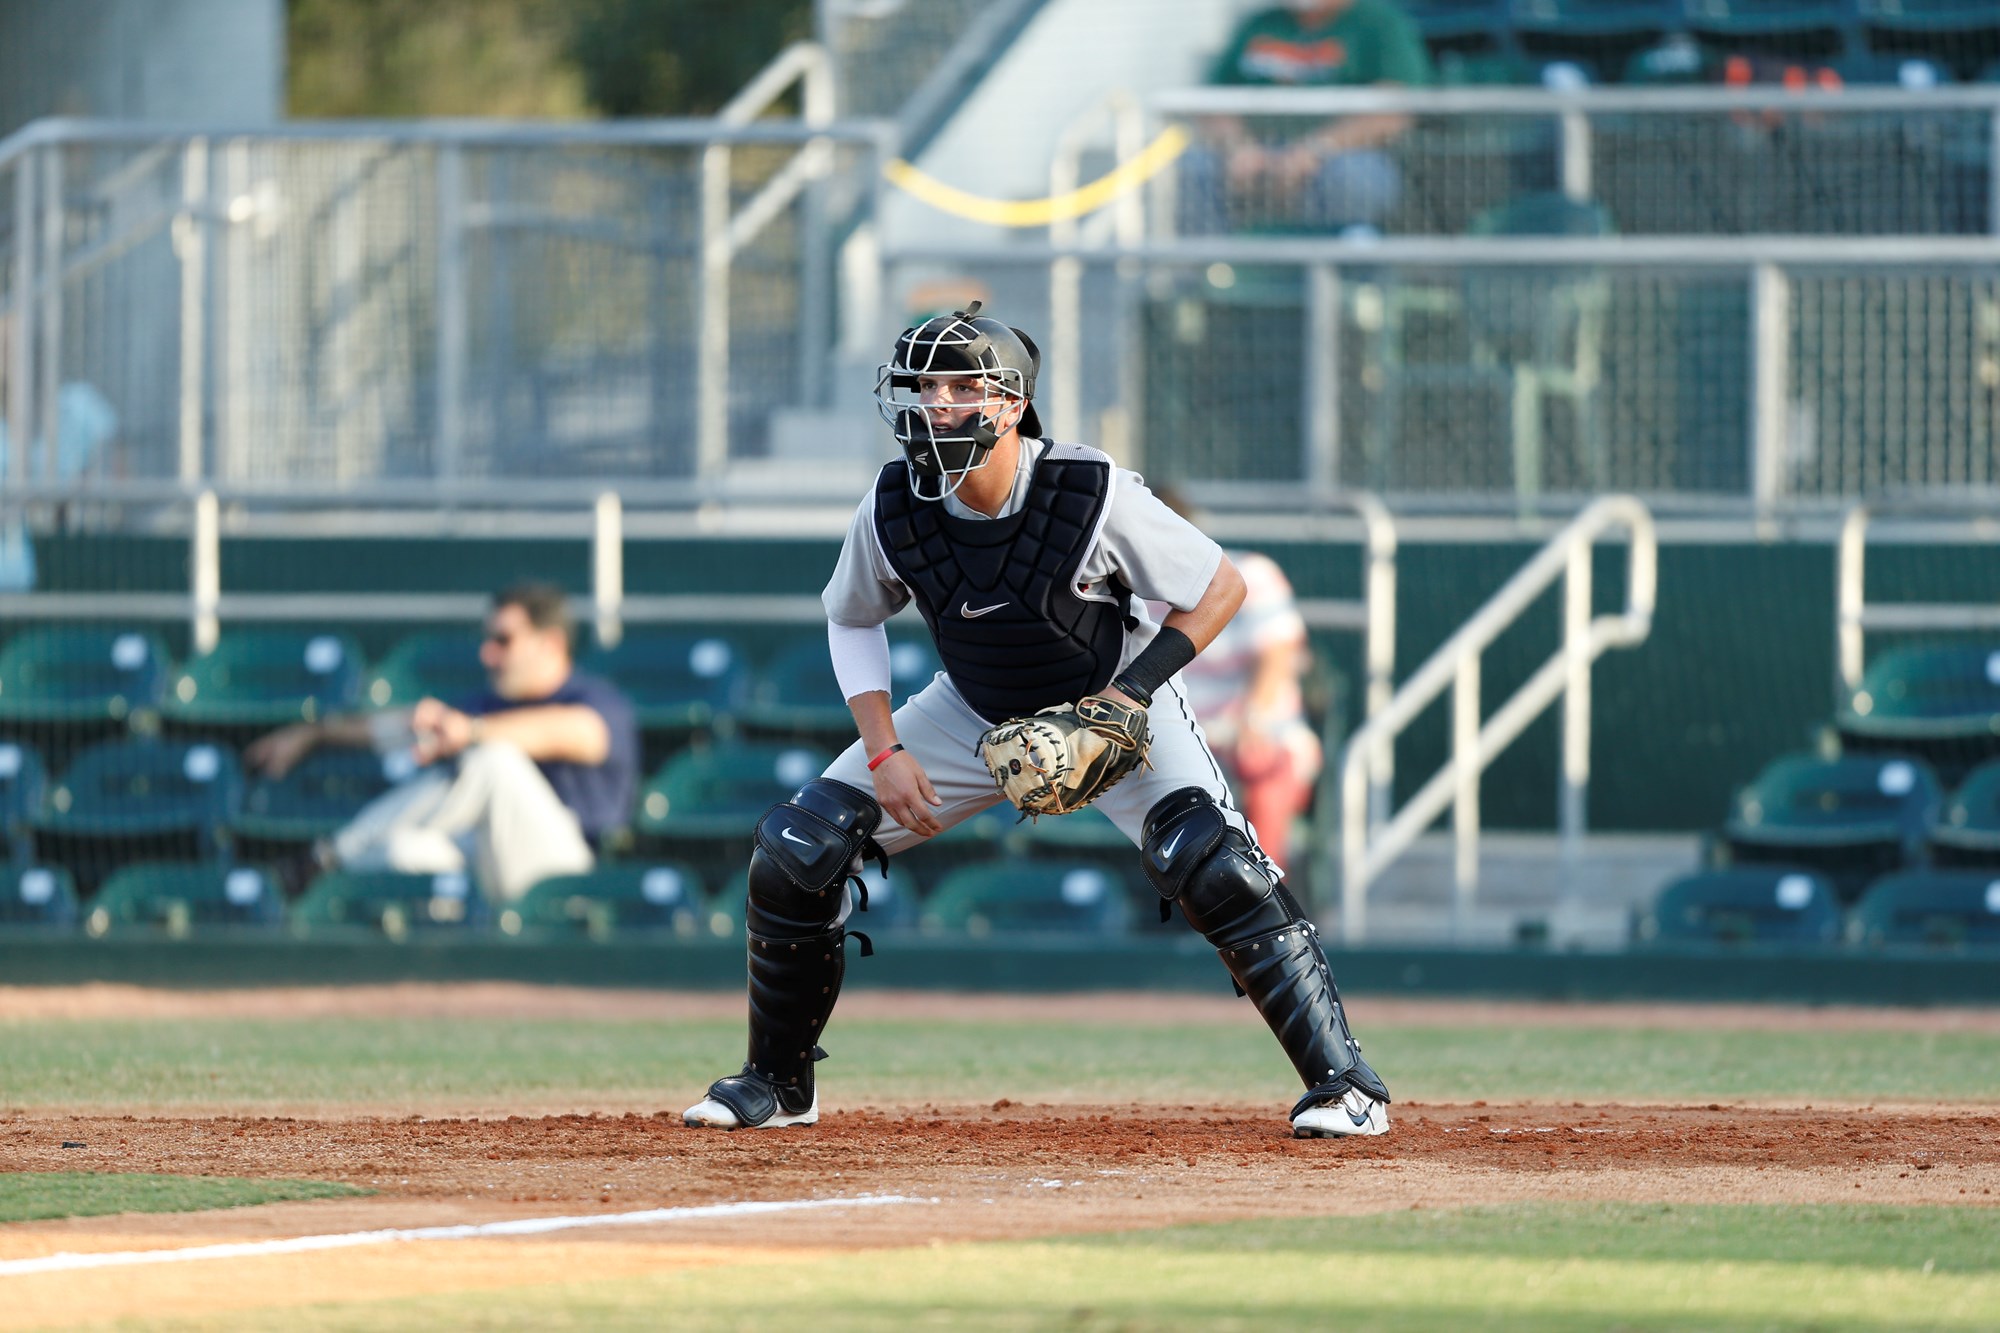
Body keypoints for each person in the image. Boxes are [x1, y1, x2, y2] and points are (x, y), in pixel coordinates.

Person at [682, 305, 1390, 1139]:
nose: (936, 403)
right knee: (797, 850)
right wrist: (884, 752)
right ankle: (778, 1083)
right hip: (973, 706)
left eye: (961, 385)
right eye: (922, 385)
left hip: (1113, 699)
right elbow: (850, 616)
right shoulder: (893, 503)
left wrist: (1129, 696)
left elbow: (1220, 586)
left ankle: (1347, 1085)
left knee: (1211, 862)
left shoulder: (1088, 489)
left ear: (1012, 402)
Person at [245, 583, 638, 902]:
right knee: (401, 852)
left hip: (567, 874)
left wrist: (472, 732)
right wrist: (315, 732)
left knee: (495, 761)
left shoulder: (594, 700)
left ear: (550, 643)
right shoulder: (488, 705)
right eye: (488, 640)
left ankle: (328, 855)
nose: (489, 654)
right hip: (485, 860)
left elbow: (574, 732)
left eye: (504, 640)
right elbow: (404, 726)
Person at [1154, 490, 1322, 874]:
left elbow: (1279, 655)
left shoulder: (1251, 573)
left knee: (1265, 766)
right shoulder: (1125, 590)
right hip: (1166, 746)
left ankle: (1263, 897)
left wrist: (1253, 721)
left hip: (1254, 740)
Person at [1180, 0, 1434, 236]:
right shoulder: (1260, 24)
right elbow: (1212, 104)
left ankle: (1340, 279)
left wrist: (1314, 149)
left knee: (1357, 177)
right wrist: (1237, 147)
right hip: (1258, 152)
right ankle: (1203, 275)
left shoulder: (1379, 22)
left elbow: (1393, 111)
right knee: (1194, 166)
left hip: (1339, 156)